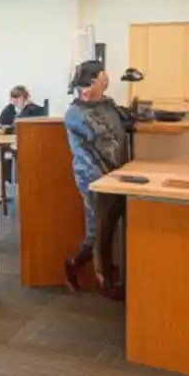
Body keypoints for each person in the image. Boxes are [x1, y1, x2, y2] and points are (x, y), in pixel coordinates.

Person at [62, 61, 131, 299]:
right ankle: (97, 276)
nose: (107, 84)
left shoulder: (106, 105)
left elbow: (124, 121)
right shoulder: (76, 114)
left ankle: (106, 272)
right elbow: (103, 135)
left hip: (115, 175)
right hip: (93, 177)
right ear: (89, 84)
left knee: (110, 226)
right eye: (103, 81)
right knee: (98, 229)